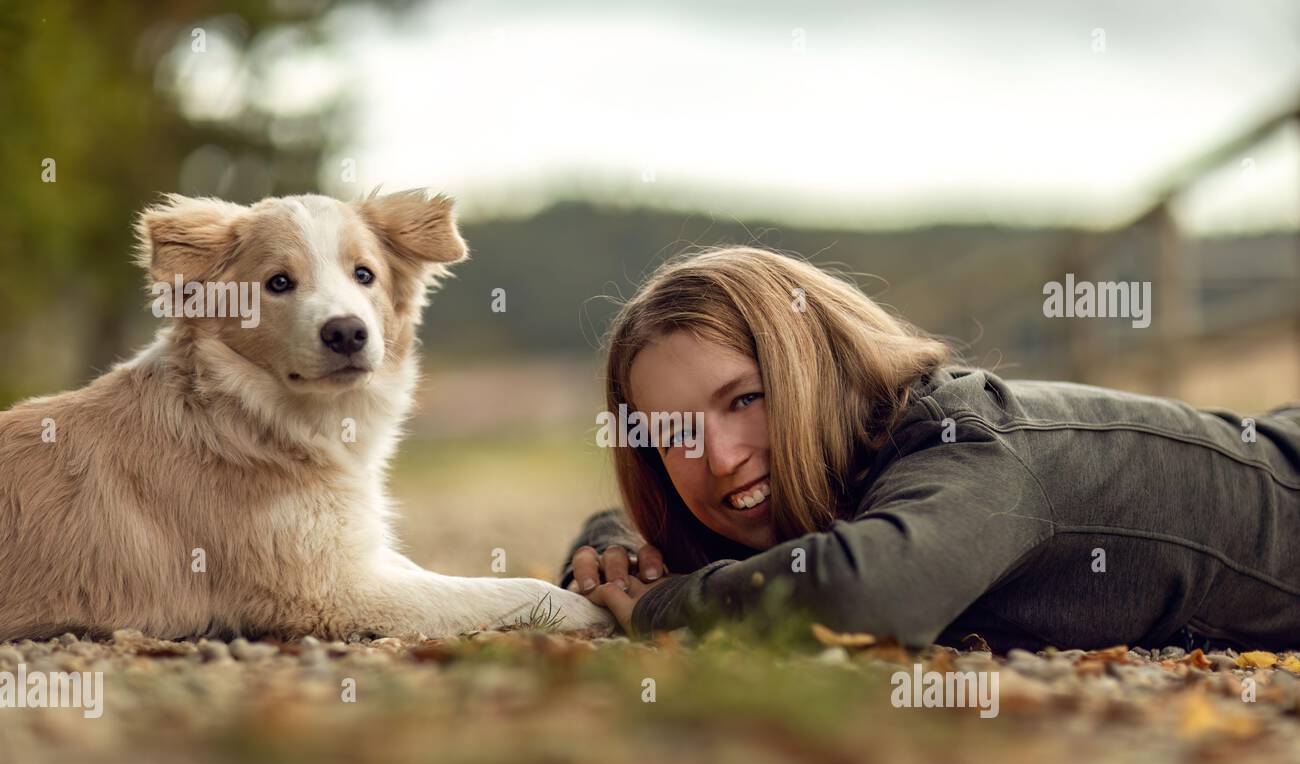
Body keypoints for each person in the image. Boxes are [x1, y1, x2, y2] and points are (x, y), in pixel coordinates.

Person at [557, 246, 1300, 654]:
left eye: (747, 399)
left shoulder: (967, 446)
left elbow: (864, 592)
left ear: (815, 367)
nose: (719, 458)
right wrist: (618, 541)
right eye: (675, 433)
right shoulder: (852, 473)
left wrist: (663, 603)